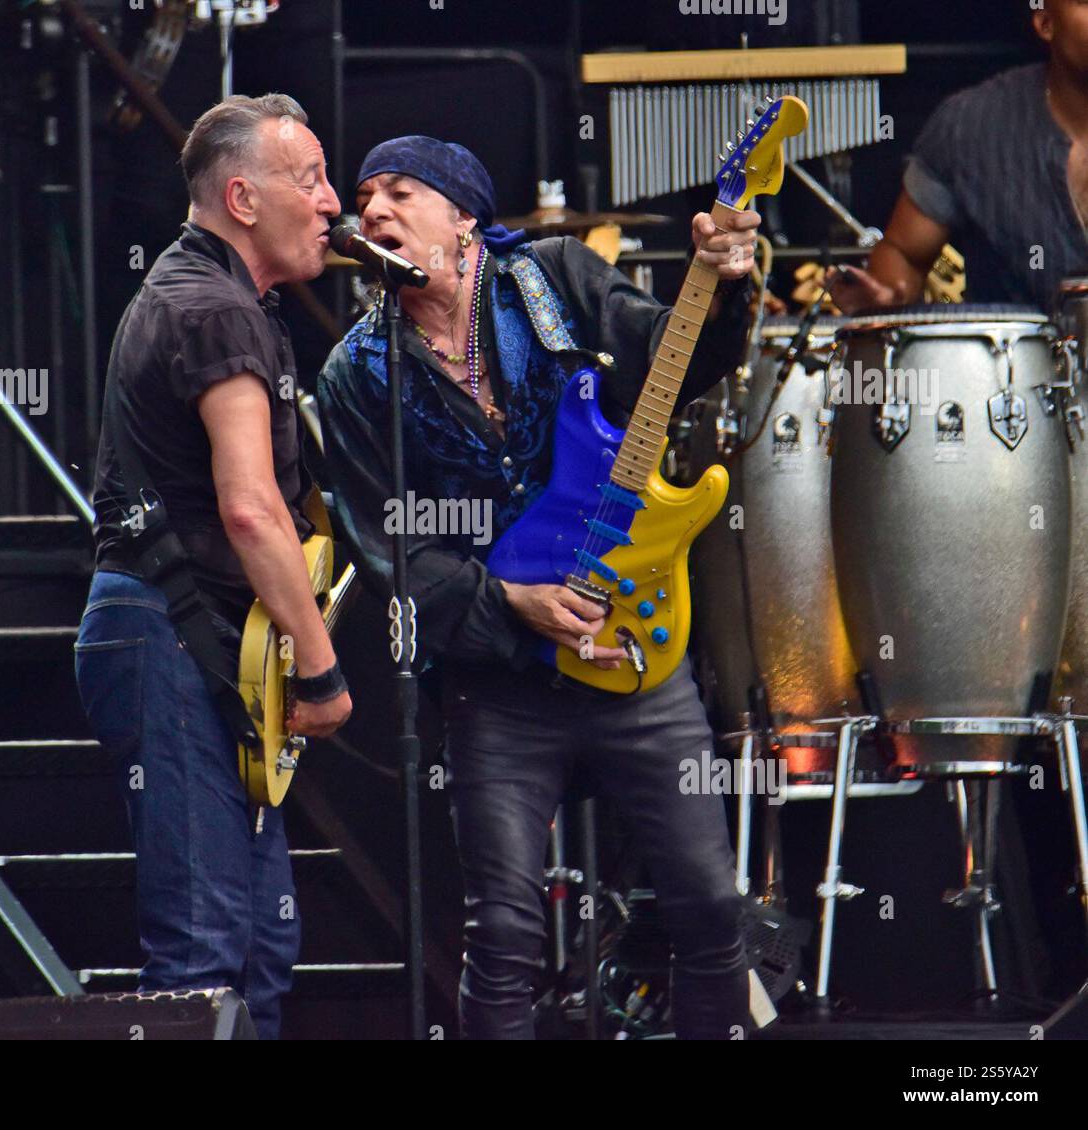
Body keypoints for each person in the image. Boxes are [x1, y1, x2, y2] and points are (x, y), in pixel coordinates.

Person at [317, 135, 760, 1039]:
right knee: (505, 934)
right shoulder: (356, 374)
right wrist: (506, 604)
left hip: (634, 645)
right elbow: (385, 550)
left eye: (401, 192)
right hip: (499, 679)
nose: (374, 212)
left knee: (711, 906)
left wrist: (724, 279)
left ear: (464, 217)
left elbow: (677, 361)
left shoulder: (555, 278)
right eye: (365, 199)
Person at [74, 94, 351, 1040]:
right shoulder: (215, 311)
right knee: (203, 957)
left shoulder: (217, 300)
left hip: (191, 643)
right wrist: (322, 670)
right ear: (241, 196)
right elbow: (249, 507)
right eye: (308, 180)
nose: (333, 202)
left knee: (254, 956)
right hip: (168, 638)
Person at [829, 0, 1088, 313]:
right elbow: (905, 255)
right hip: (1016, 359)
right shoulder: (972, 124)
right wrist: (887, 293)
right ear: (1045, 22)